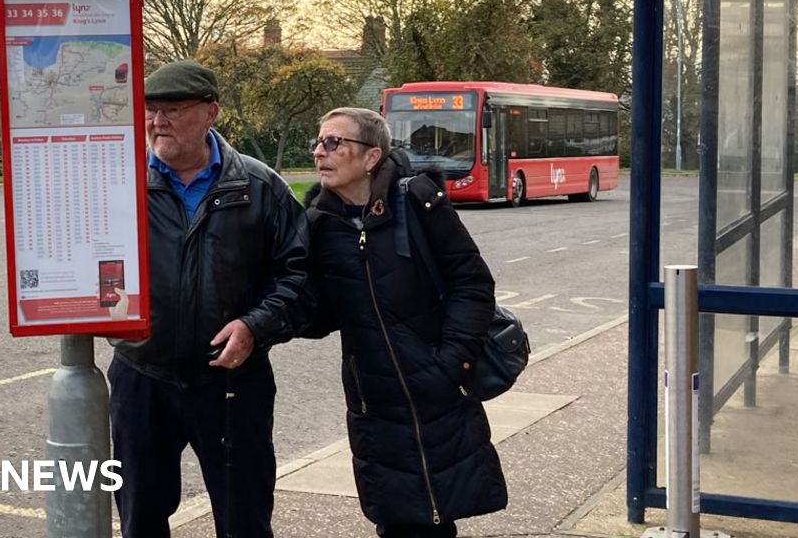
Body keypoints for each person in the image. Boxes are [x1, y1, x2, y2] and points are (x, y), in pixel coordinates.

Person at [108, 60, 312, 538]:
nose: (157, 122)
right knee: (140, 516)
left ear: (211, 113)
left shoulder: (259, 187)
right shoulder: (119, 184)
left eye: (172, 110)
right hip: (143, 376)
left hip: (233, 383)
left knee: (244, 518)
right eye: (150, 111)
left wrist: (255, 326)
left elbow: (300, 275)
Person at [302, 107, 507, 538]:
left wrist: (451, 363)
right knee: (396, 518)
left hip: (436, 388)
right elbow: (316, 315)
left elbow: (472, 283)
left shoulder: (418, 202)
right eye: (318, 142)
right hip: (374, 401)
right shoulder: (318, 225)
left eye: (334, 142)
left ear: (371, 157)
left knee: (438, 514)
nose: (321, 152)